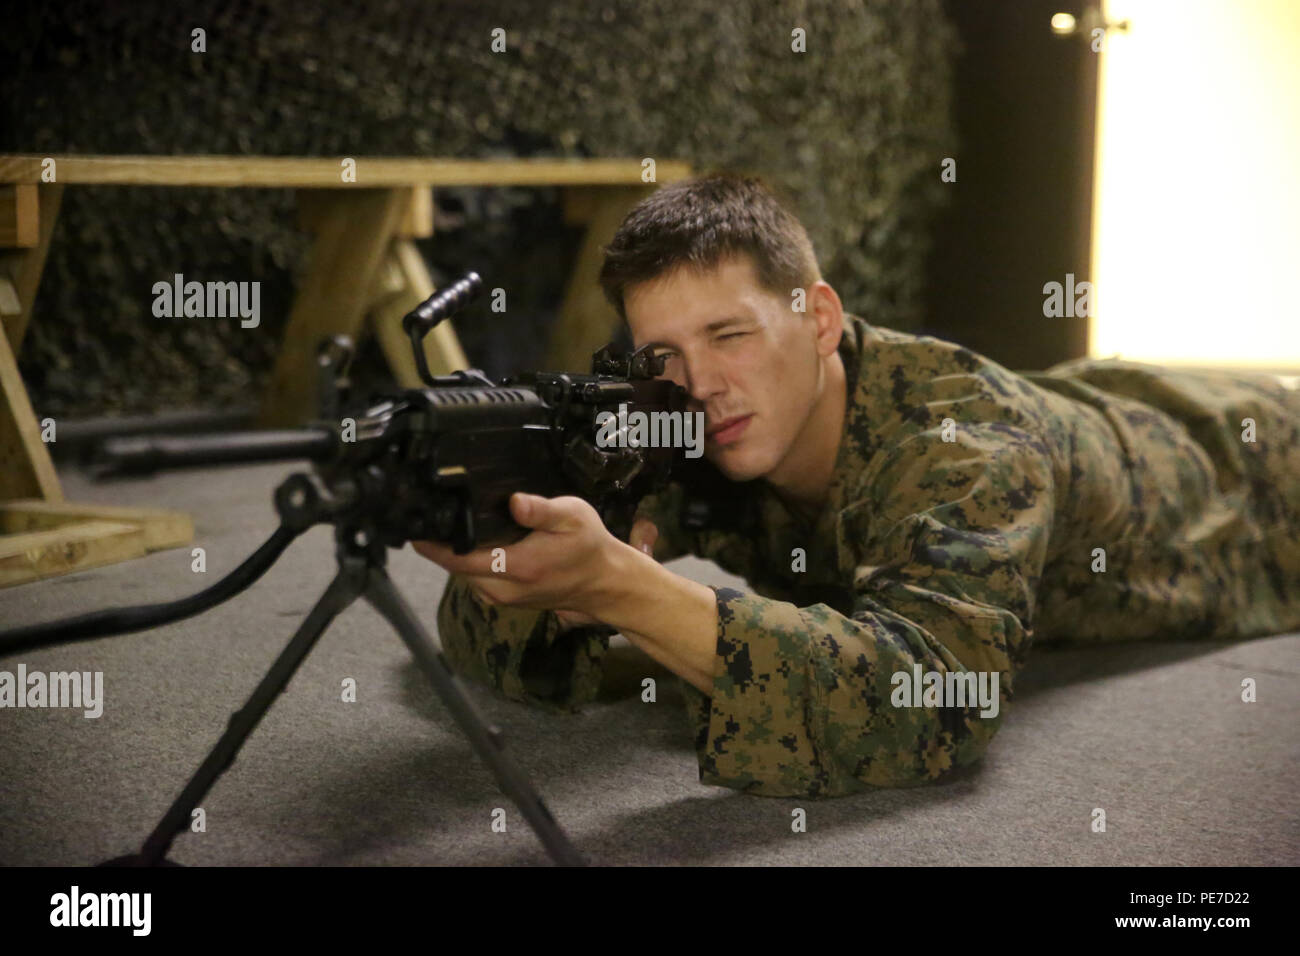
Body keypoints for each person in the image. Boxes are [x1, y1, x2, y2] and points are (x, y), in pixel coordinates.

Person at [413, 174, 1300, 798]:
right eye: (664, 356)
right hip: (1097, 400)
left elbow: (938, 698)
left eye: (731, 334)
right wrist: (543, 571)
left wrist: (626, 588)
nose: (702, 381)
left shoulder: (965, 451)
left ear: (820, 319)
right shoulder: (689, 418)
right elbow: (479, 626)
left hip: (1253, 481)